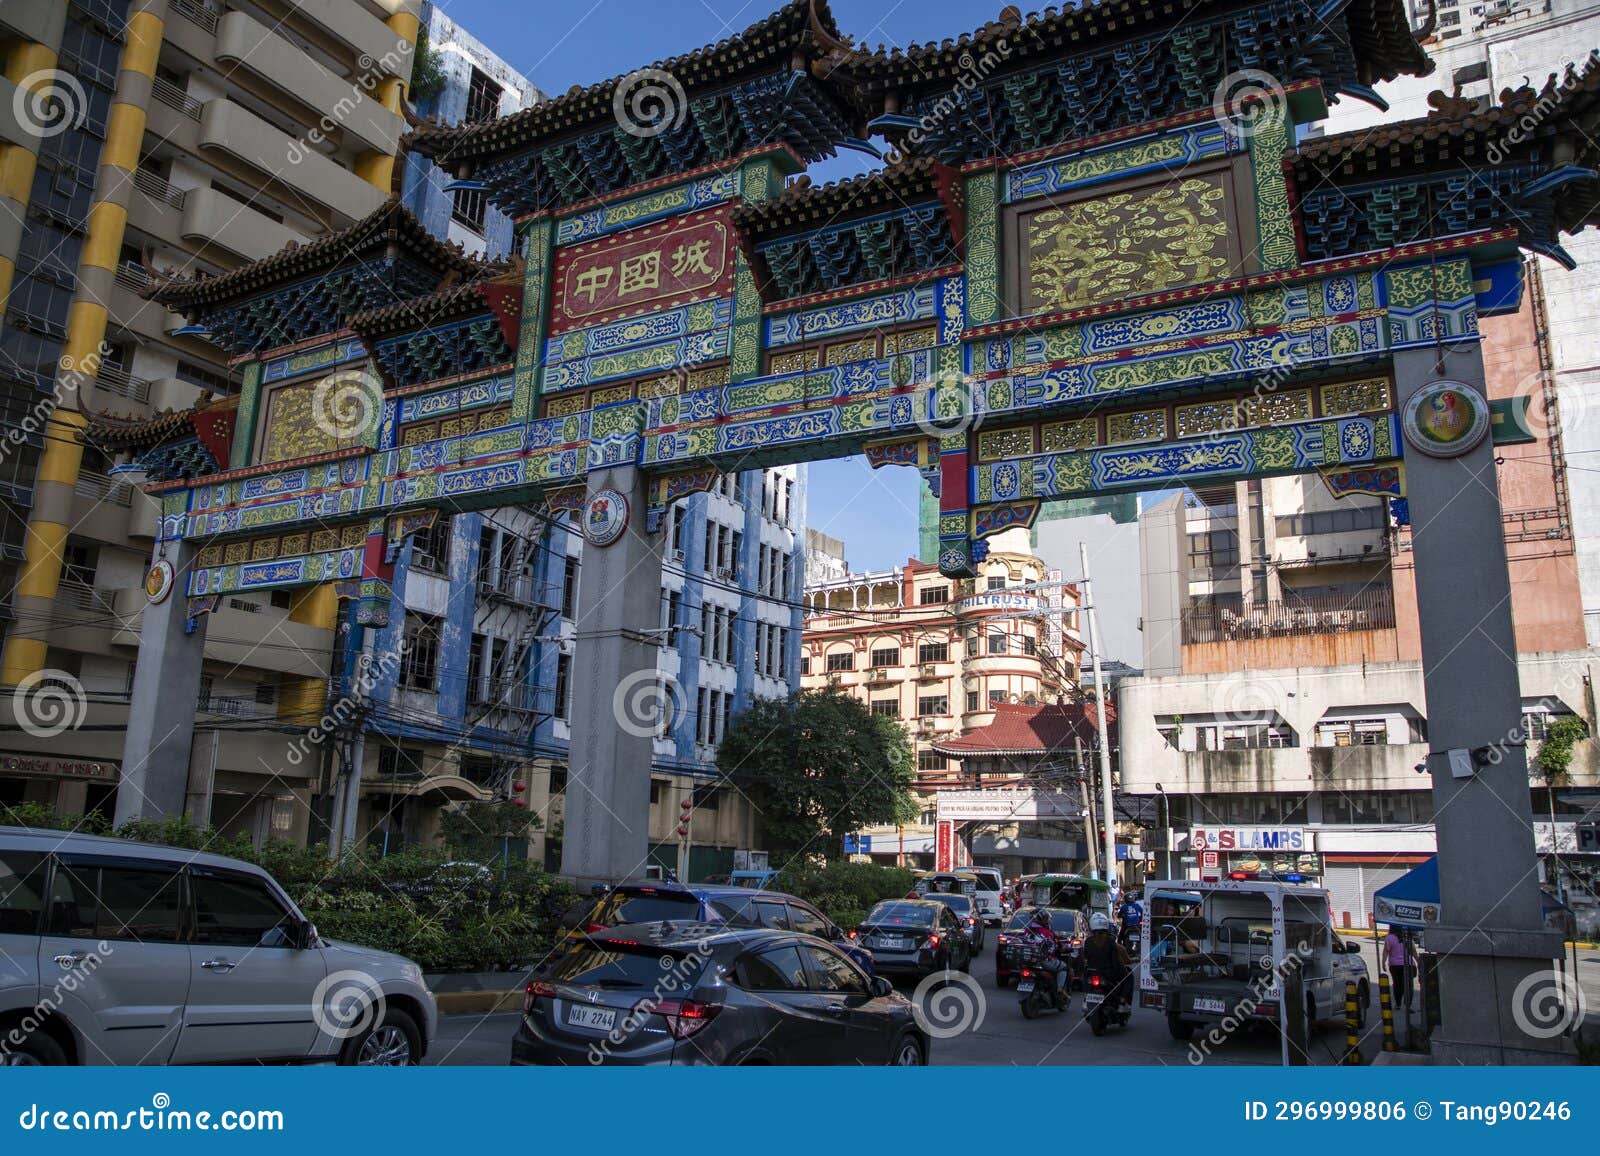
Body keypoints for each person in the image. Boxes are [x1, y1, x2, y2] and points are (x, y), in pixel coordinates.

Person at [1082, 912, 1133, 1008]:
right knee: (1129, 976)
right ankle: (1123, 999)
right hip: (1110, 973)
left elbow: (1085, 958)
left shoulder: (1088, 942)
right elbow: (1123, 954)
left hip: (1092, 972)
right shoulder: (1110, 941)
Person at [1384, 924, 1417, 1010]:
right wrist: (1418, 962)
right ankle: (1408, 1005)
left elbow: (1386, 951)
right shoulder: (1407, 937)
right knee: (1408, 985)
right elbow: (1413, 951)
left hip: (1394, 965)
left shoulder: (1389, 938)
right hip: (1408, 964)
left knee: (1397, 984)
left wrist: (1383, 962)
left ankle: (1398, 1004)